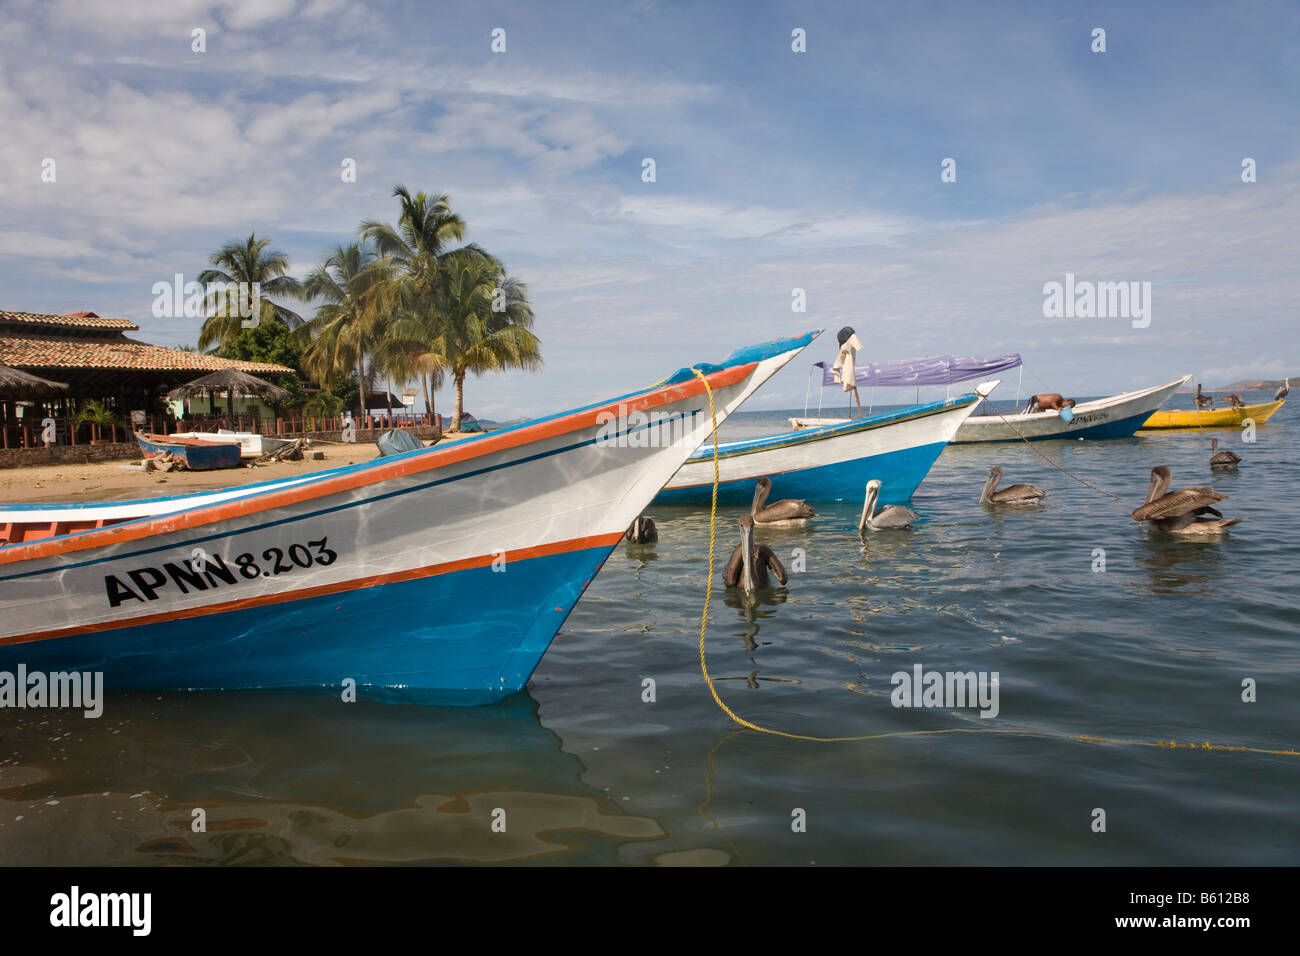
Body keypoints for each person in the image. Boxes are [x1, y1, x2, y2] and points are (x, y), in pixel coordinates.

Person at [831, 326, 864, 419]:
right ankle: (859, 417)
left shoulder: (844, 349)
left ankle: (859, 417)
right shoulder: (848, 346)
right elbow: (858, 346)